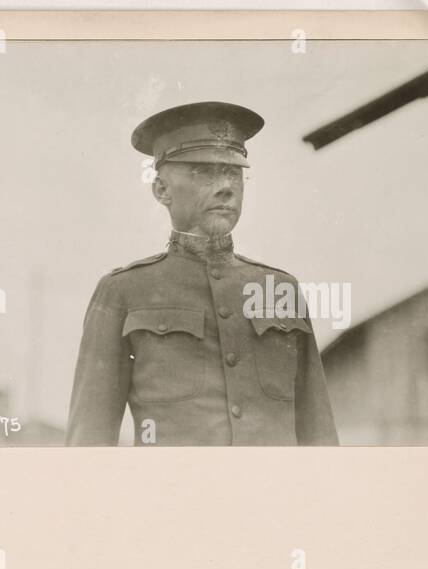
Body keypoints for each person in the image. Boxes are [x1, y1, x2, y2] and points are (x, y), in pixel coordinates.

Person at [65, 101, 339, 446]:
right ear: (161, 189)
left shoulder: (279, 290)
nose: (226, 186)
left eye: (233, 172)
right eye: (204, 172)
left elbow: (320, 440)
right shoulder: (122, 292)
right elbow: (88, 445)